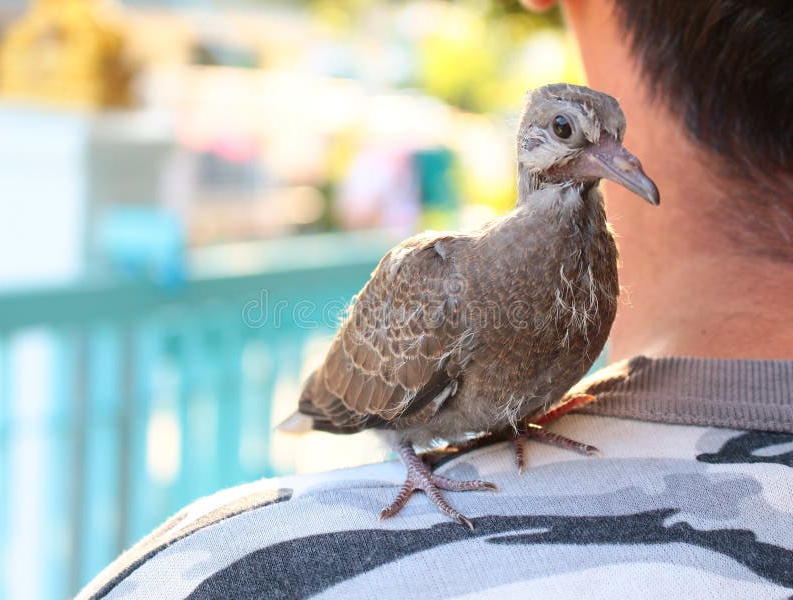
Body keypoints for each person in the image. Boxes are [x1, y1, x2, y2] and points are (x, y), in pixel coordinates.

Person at [77, 1, 793, 597]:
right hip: (399, 419)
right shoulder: (445, 282)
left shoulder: (196, 575)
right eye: (569, 135)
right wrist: (416, 464)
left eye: (610, 142)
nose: (603, 155)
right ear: (533, 146)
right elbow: (368, 401)